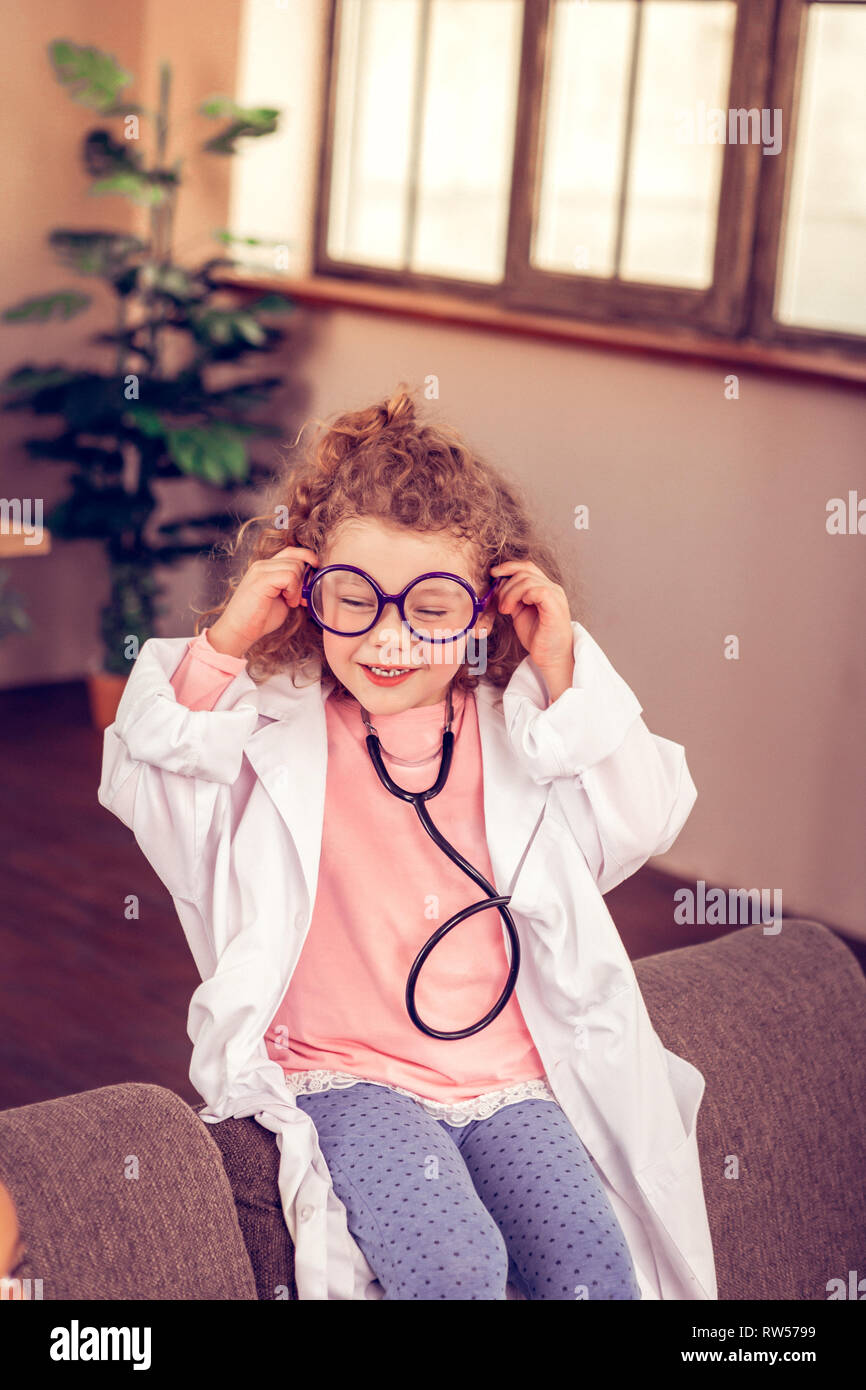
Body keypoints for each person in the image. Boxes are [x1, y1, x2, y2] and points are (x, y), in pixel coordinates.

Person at [98, 384, 717, 1301]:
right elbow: (149, 778)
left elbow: (646, 811)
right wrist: (227, 638)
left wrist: (565, 665)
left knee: (592, 1264)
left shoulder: (525, 734)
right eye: (355, 597)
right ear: (307, 594)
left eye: (430, 605)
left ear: (483, 609)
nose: (389, 637)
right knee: (454, 1265)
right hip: (346, 1075)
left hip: (511, 1075)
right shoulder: (272, 734)